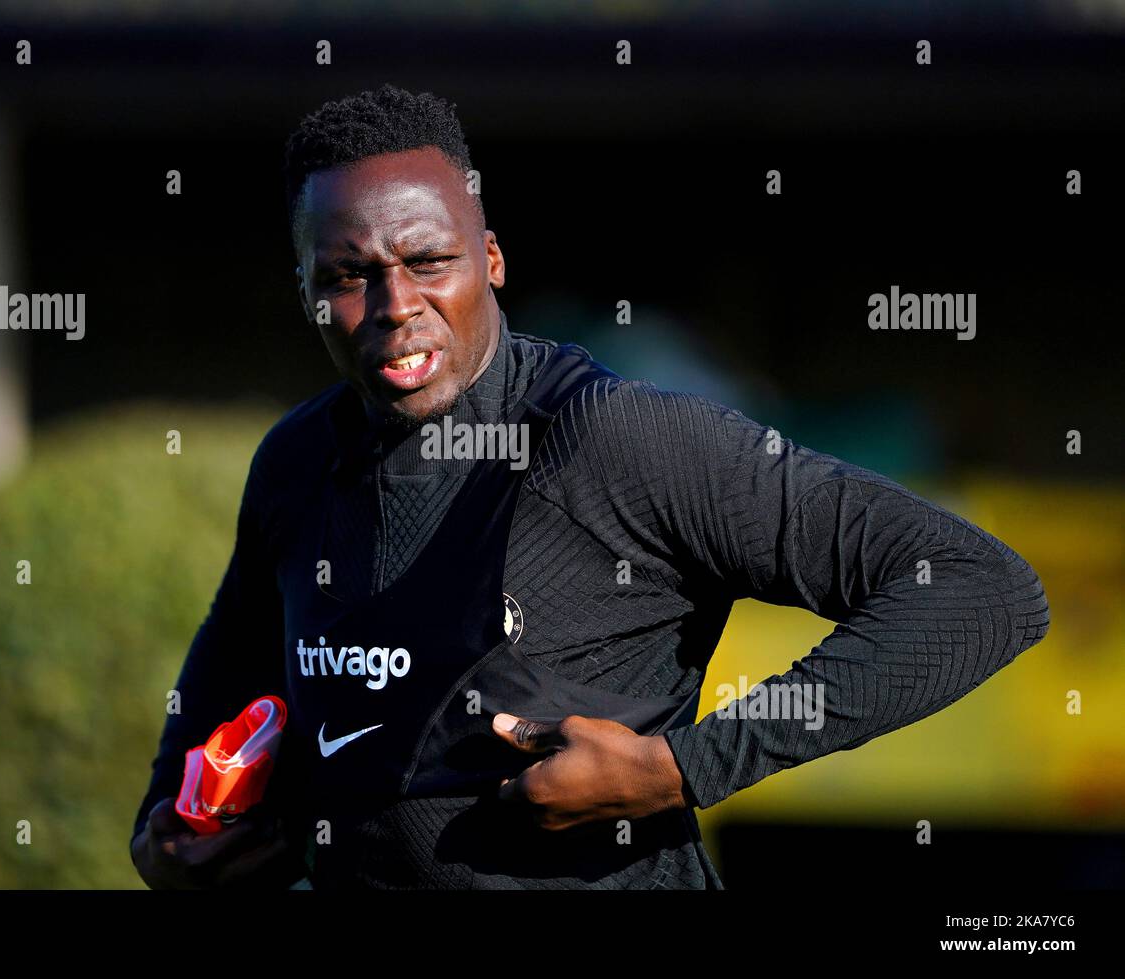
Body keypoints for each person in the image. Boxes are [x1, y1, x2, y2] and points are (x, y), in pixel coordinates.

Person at [130, 84, 1050, 890]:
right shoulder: (295, 463)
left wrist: (683, 767)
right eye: (348, 276)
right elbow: (229, 668)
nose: (397, 304)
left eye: (429, 261)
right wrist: (166, 832)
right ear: (304, 291)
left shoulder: (612, 439)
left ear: (490, 259)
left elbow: (979, 587)